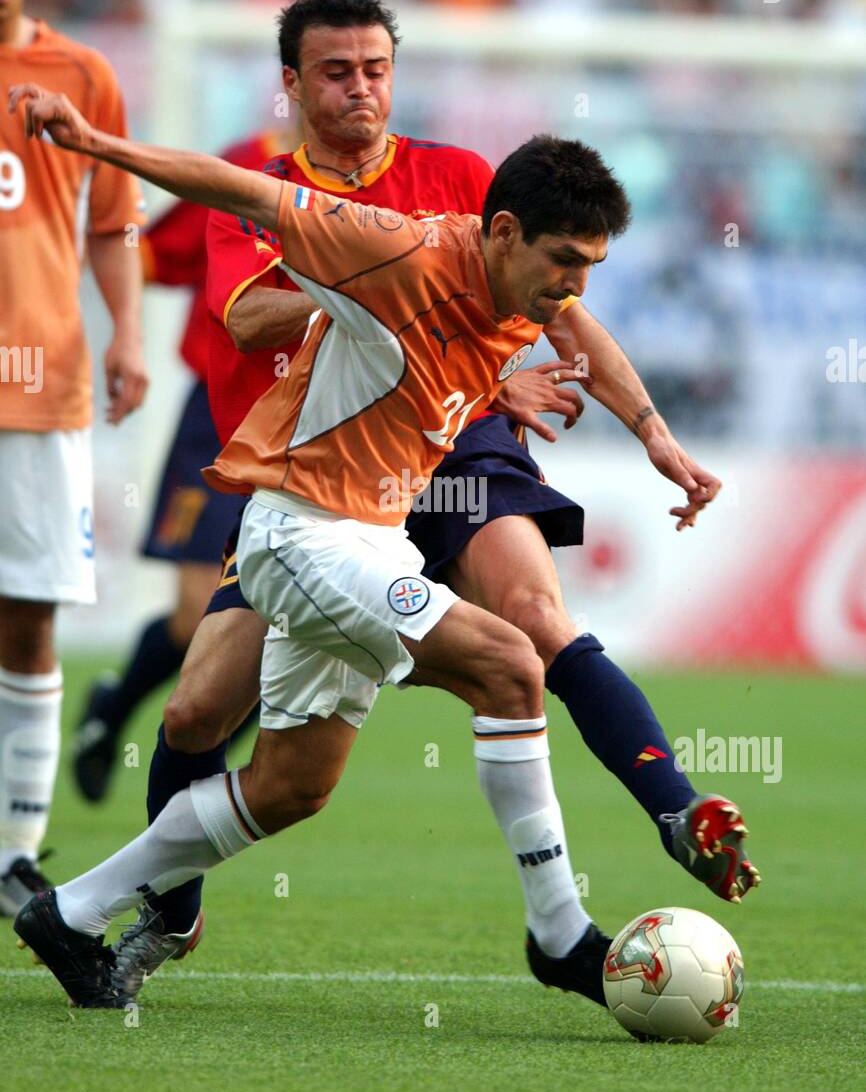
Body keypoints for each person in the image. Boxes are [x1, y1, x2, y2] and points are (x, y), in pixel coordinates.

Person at [8, 79, 758, 1013]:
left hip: (372, 537)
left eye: (592, 268)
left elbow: (572, 330)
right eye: (563, 261)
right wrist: (92, 142)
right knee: (512, 663)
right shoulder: (393, 248)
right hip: (304, 536)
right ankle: (561, 934)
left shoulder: (528, 291)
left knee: (290, 787)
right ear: (502, 232)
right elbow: (239, 191)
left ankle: (70, 913)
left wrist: (655, 436)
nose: (571, 287)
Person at [0, 0, 146, 916]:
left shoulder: (84, 75)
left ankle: (15, 850)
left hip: (42, 382)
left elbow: (111, 224)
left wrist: (130, 331)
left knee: (28, 620)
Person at [71, 129, 286, 803]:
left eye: (371, 71)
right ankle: (115, 710)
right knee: (200, 617)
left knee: (281, 633)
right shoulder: (250, 165)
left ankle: (201, 790)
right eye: (333, 70)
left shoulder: (386, 182)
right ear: (297, 80)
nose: (355, 91)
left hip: (326, 422)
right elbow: (153, 255)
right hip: (221, 417)